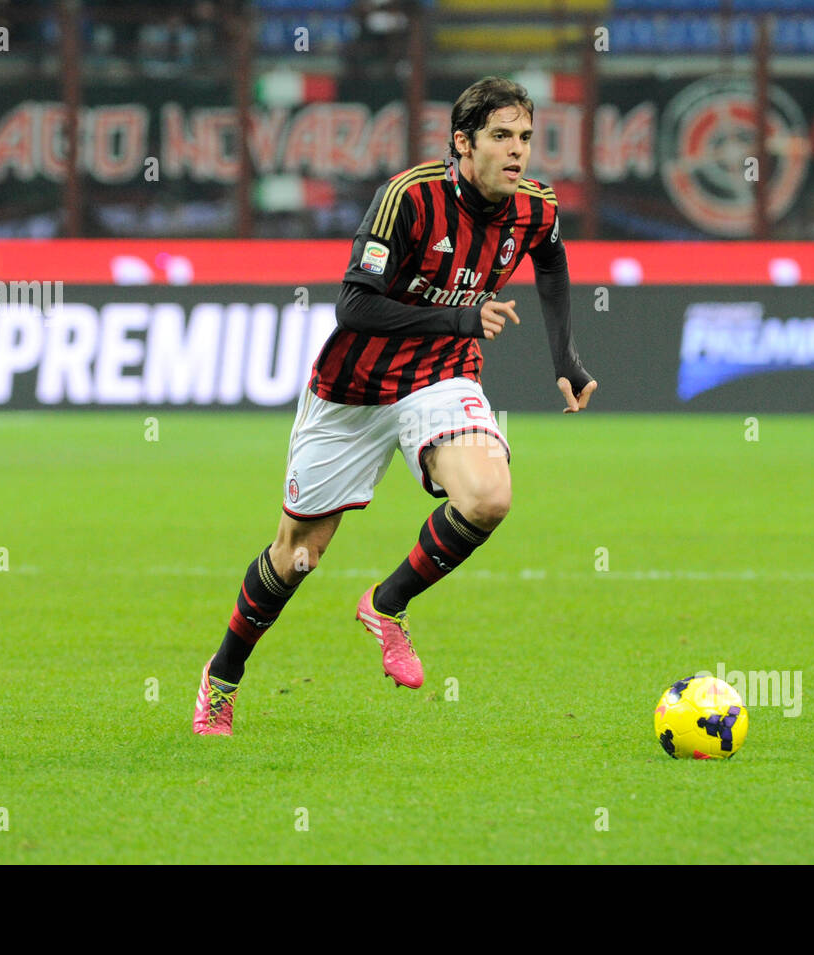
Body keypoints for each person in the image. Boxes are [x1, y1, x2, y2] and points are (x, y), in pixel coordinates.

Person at [195, 76, 596, 735]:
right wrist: (460, 316)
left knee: (489, 495)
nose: (517, 150)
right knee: (298, 554)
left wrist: (565, 358)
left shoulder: (535, 208)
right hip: (354, 385)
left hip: (440, 376)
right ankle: (222, 677)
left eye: (525, 137)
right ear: (463, 143)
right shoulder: (410, 198)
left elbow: (550, 263)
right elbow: (353, 303)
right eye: (501, 136)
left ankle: (387, 604)